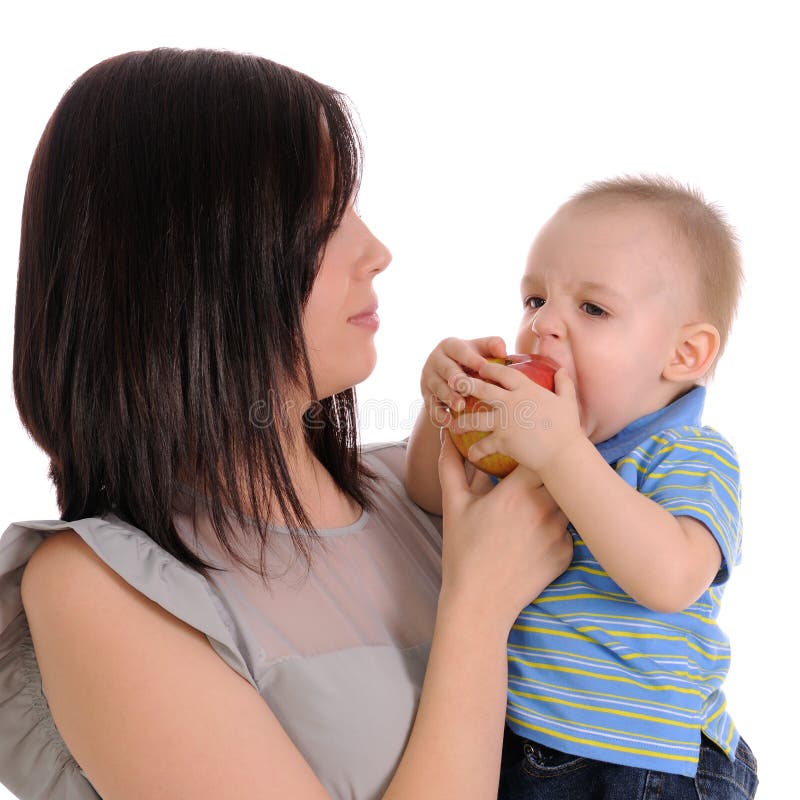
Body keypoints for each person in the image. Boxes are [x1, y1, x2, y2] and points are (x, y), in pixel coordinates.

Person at [0, 49, 574, 800]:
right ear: (191, 263)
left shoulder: (430, 488)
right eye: (321, 219)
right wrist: (479, 609)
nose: (376, 251)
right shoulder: (98, 590)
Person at [405, 177, 759, 798]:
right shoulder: (533, 446)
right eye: (535, 299)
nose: (543, 326)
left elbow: (670, 578)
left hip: (642, 763)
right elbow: (429, 496)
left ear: (684, 354)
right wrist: (446, 405)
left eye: (592, 309)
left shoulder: (688, 455)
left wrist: (563, 452)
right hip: (515, 747)